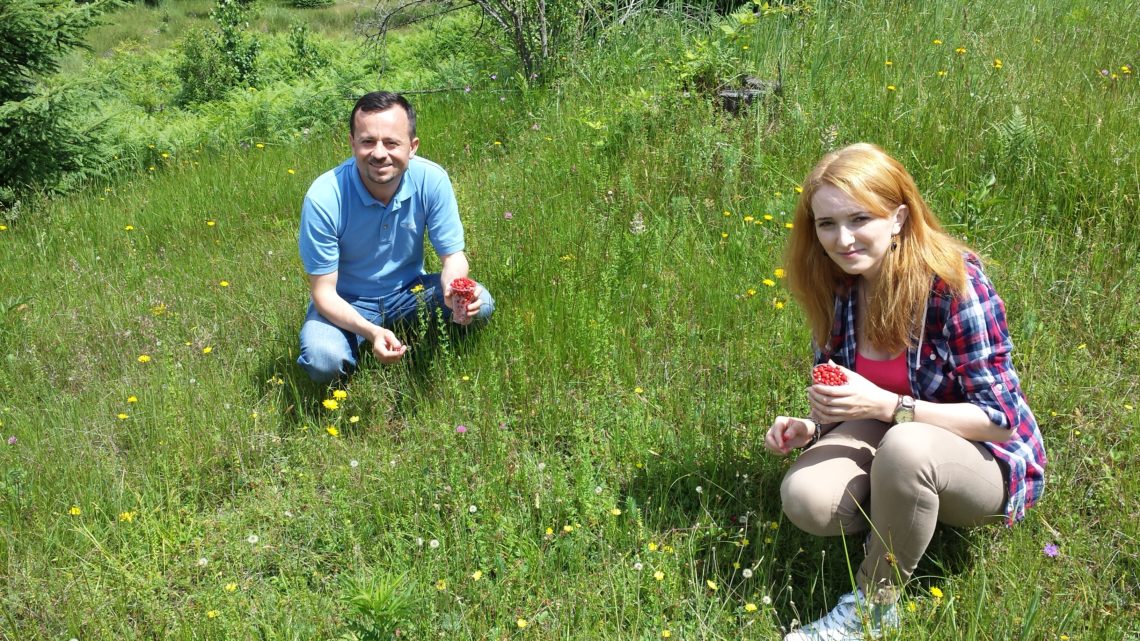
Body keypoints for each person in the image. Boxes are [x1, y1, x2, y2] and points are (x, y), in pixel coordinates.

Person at [764, 143, 1045, 640]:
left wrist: (891, 407)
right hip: (889, 431)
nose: (842, 239)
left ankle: (874, 607)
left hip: (983, 458)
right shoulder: (837, 284)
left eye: (859, 219)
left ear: (897, 217)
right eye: (827, 224)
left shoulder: (953, 283)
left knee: (906, 445)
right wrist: (812, 427)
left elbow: (1001, 419)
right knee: (807, 497)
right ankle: (904, 510)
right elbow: (851, 394)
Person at [297, 91, 494, 382]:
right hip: (346, 300)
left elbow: (453, 256)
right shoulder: (324, 197)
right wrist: (372, 332)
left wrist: (453, 290)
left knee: (481, 303)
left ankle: (424, 334)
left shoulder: (432, 180)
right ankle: (359, 345)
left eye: (391, 143)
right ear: (352, 143)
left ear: (412, 146)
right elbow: (323, 292)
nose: (379, 153)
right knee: (323, 360)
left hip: (410, 292)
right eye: (368, 141)